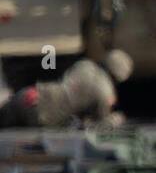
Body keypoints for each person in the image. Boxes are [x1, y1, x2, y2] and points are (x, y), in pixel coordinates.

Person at [0, 50, 133, 128]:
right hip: (44, 116)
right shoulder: (106, 93)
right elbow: (100, 126)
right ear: (119, 77)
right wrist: (116, 119)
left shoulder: (86, 64)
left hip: (31, 94)